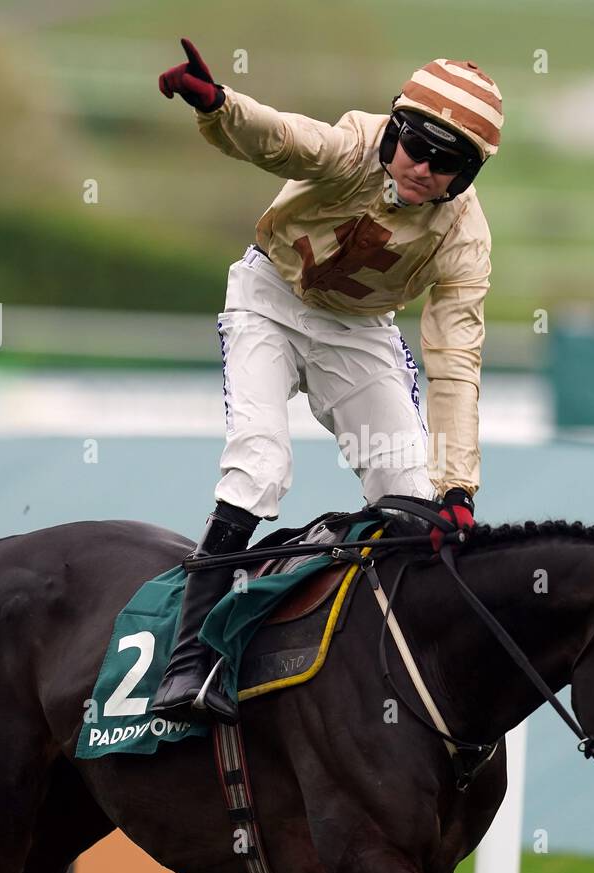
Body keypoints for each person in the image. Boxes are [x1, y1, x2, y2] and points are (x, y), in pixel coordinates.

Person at [150, 40, 502, 725]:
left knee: (413, 495)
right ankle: (189, 659)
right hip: (268, 300)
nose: (423, 169)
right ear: (394, 129)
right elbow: (285, 141)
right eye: (417, 147)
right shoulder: (354, 145)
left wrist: (458, 485)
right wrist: (220, 106)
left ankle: (378, 665)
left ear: (467, 176)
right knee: (260, 465)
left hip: (359, 332)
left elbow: (456, 359)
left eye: (447, 164)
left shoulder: (466, 236)